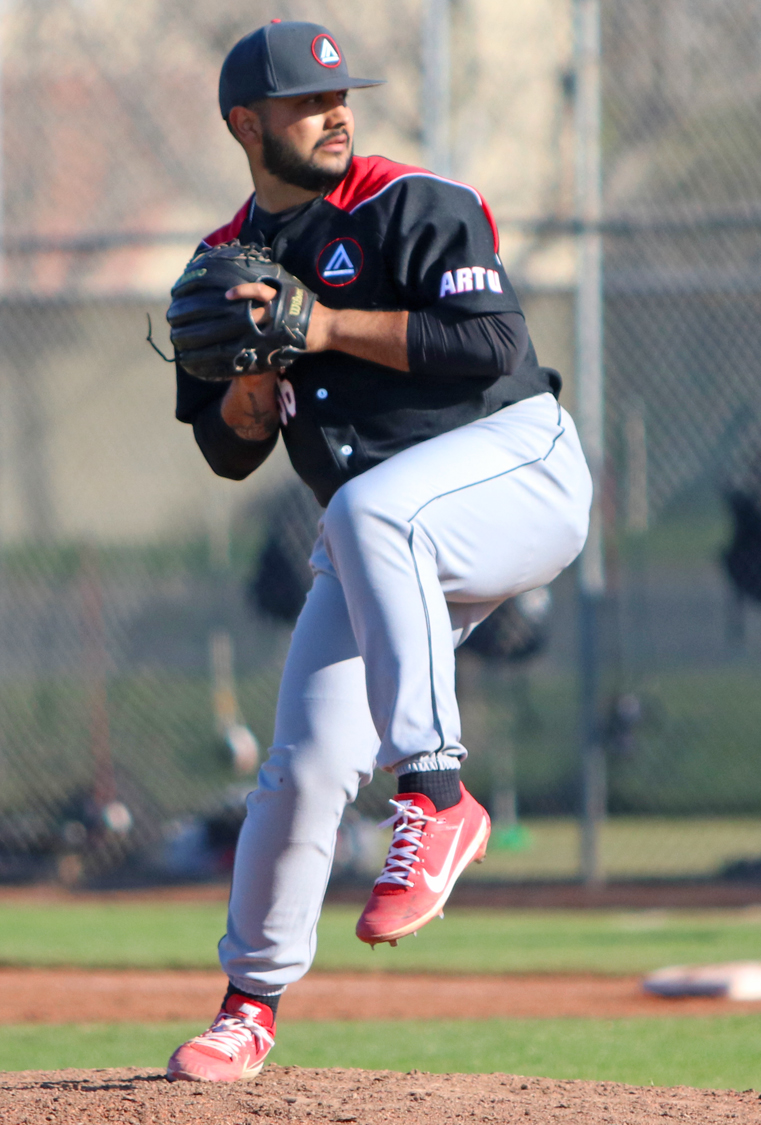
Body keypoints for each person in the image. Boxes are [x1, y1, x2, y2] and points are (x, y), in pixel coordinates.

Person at [163, 21, 591, 1082]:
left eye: (339, 93)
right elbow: (225, 453)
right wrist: (251, 399)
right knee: (301, 767)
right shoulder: (225, 267)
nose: (335, 111)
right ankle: (246, 1009)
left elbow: (486, 346)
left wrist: (322, 329)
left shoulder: (412, 204)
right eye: (308, 103)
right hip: (383, 544)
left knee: (364, 512)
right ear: (245, 125)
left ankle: (437, 796)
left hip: (513, 468)